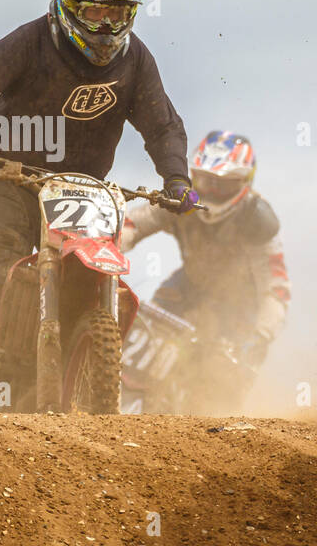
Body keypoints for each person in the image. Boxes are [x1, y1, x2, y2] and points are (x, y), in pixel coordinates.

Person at [0, 0, 199, 412]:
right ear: (69, 5)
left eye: (120, 14)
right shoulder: (32, 41)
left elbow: (162, 126)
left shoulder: (135, 60)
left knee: (93, 269)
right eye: (97, 11)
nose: (108, 27)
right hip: (5, 177)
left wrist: (177, 178)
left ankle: (70, 368)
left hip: (81, 188)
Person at [120, 131, 289, 409]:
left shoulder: (257, 221)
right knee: (139, 338)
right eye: (205, 181)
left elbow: (277, 289)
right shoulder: (186, 202)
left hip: (239, 307)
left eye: (222, 185)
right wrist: (106, 242)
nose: (211, 191)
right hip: (188, 287)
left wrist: (258, 338)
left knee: (220, 382)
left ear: (244, 183)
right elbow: (137, 222)